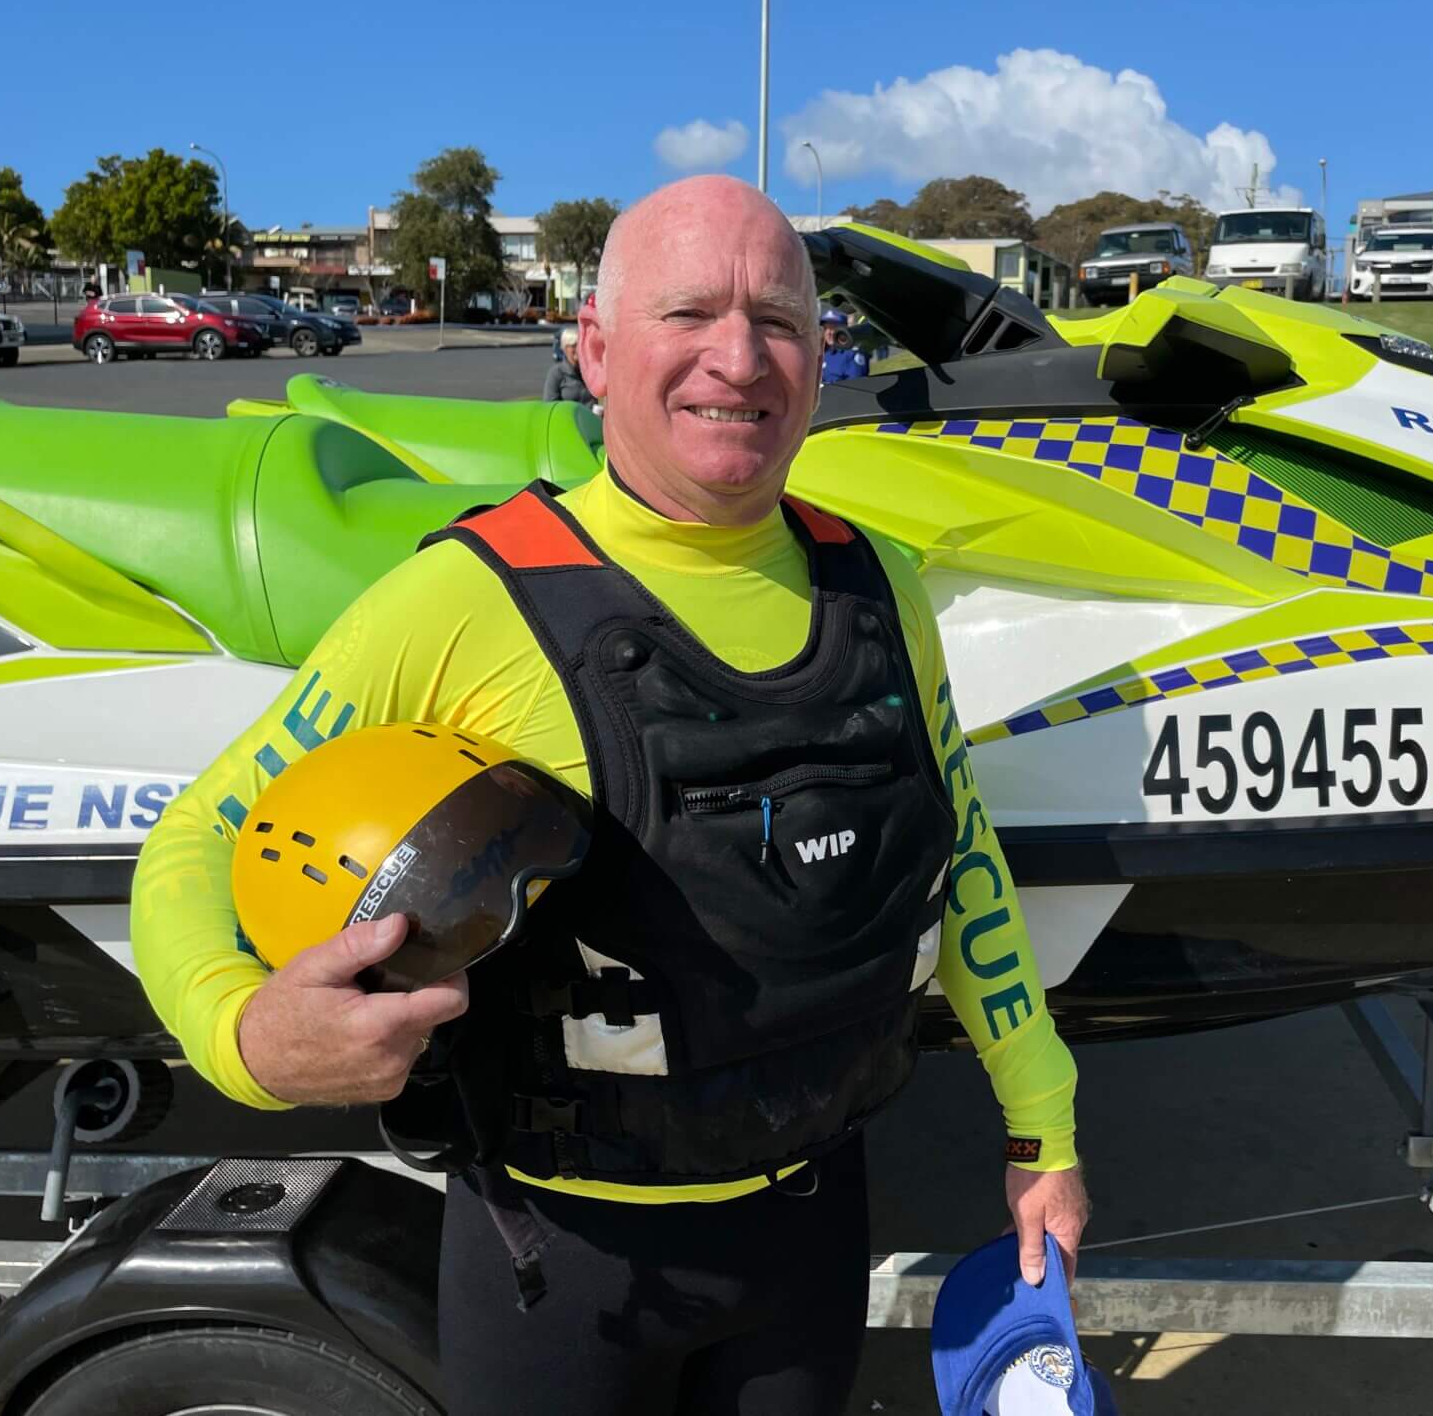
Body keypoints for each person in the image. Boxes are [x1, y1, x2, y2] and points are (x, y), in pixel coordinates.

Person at [130, 174, 1086, 1416]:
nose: (737, 358)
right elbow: (198, 835)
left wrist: (1041, 1127)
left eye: (778, 320)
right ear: (592, 349)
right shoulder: (469, 600)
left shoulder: (878, 584)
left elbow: (961, 855)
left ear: (818, 355)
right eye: (687, 314)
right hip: (564, 1268)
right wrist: (245, 1039)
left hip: (809, 1234)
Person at [819, 306, 870, 383]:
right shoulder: (825, 354)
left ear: (843, 328)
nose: (829, 333)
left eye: (833, 328)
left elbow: (857, 384)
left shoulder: (852, 354)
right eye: (825, 328)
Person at [543, 326, 593, 404]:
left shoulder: (591, 370)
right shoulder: (556, 373)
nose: (578, 349)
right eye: (573, 346)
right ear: (565, 348)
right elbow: (550, 405)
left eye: (580, 345)